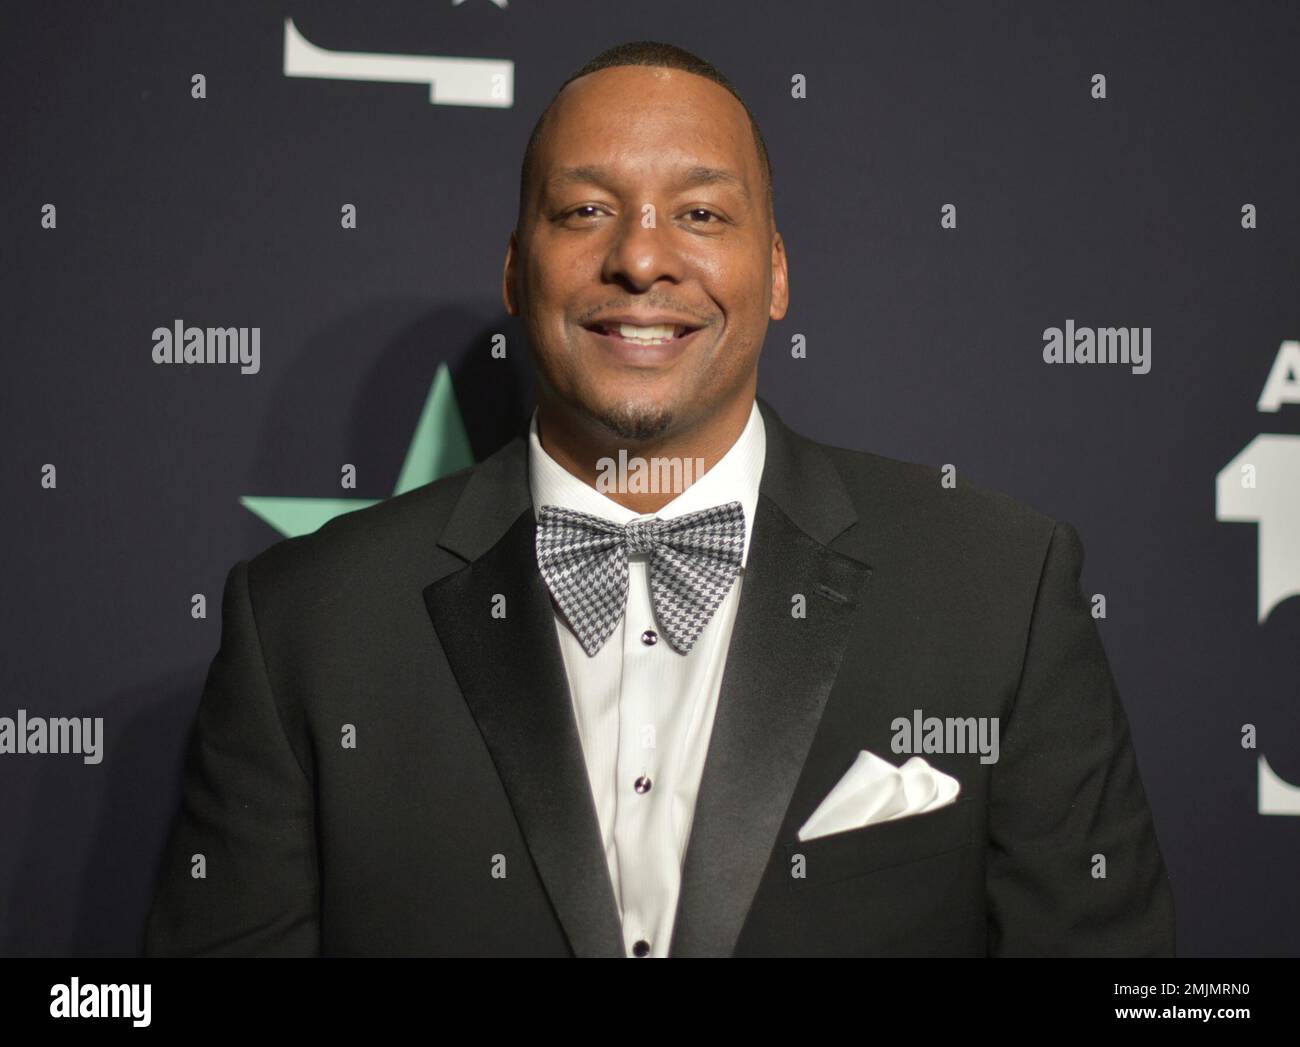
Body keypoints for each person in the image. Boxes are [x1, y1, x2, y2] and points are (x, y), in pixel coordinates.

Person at [144, 40, 1175, 957]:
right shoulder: (305, 625)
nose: (640, 258)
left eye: (700, 214)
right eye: (585, 211)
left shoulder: (997, 589)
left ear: (774, 275)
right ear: (516, 272)